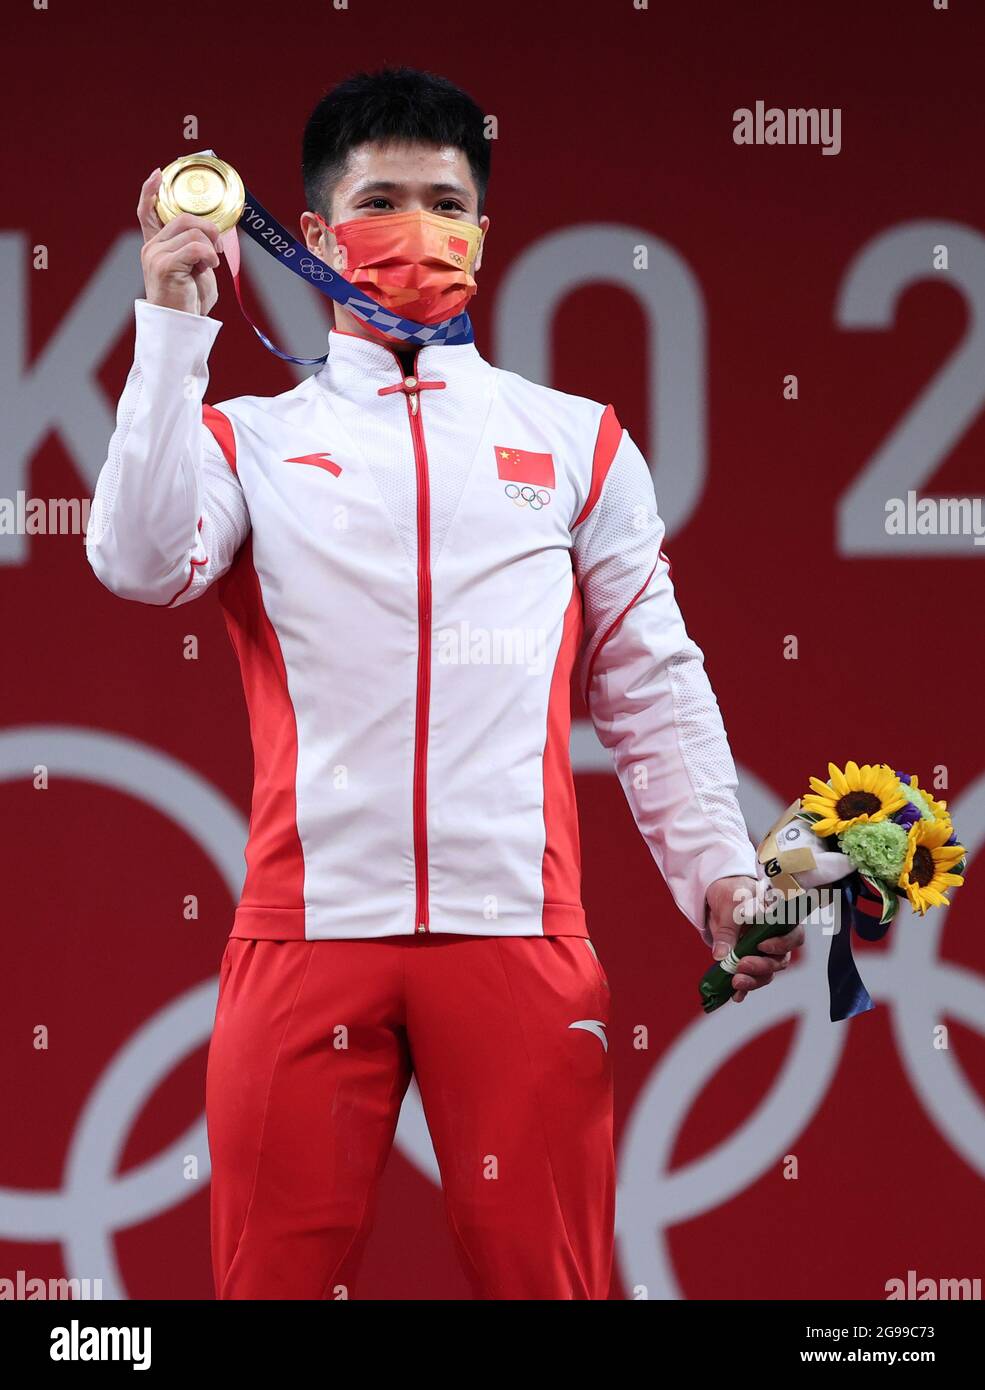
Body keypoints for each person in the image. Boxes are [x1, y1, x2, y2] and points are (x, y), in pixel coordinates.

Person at [85, 67, 803, 1301]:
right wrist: (171, 334)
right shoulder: (250, 439)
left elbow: (650, 683)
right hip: (306, 936)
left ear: (483, 231)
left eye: (445, 203)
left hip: (517, 939)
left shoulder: (580, 441)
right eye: (381, 201)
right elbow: (137, 561)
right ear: (310, 235)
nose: (417, 232)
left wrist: (721, 877)